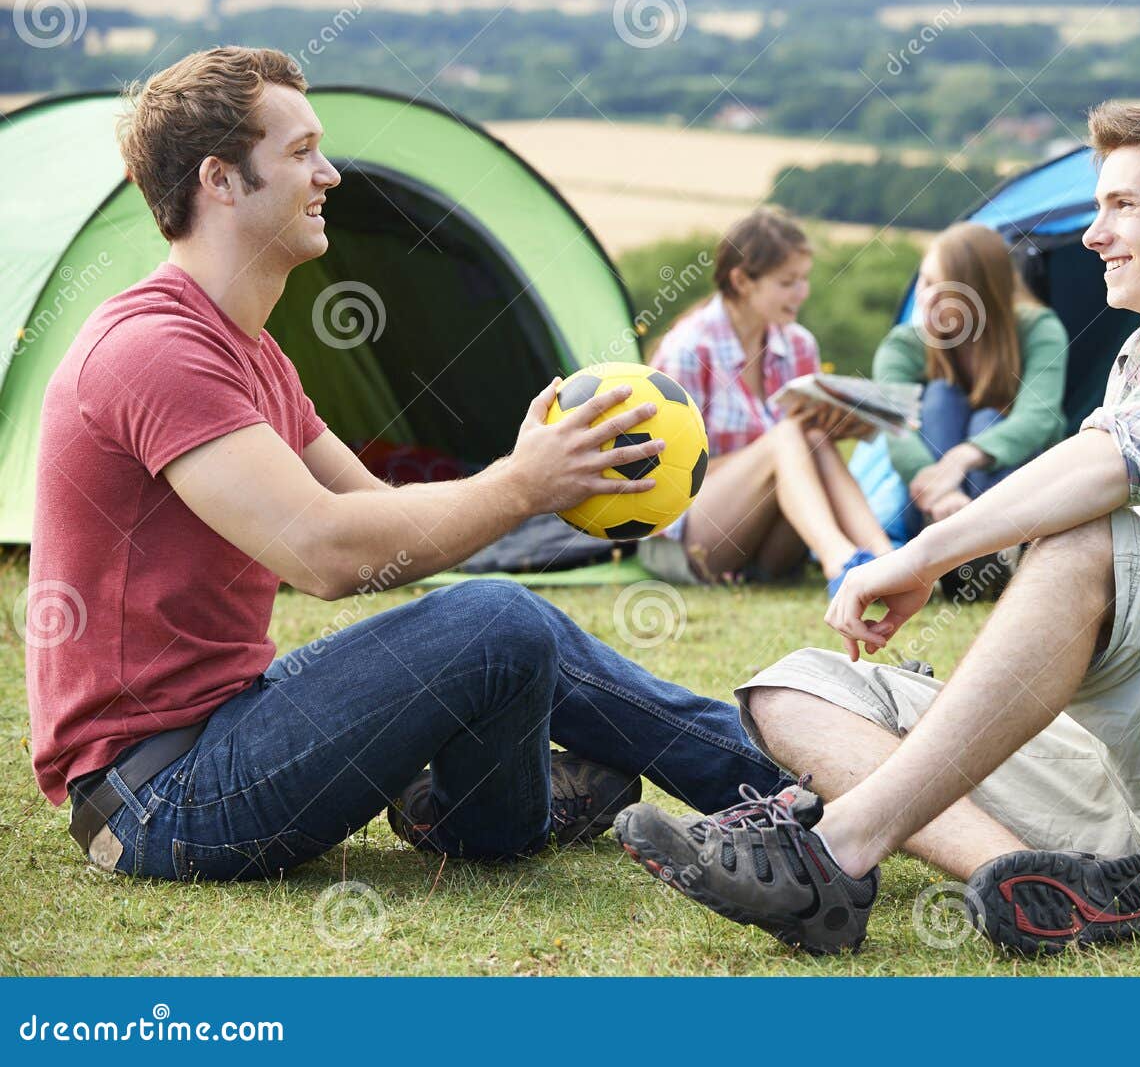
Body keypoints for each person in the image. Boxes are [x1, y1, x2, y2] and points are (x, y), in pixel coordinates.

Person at [614, 87, 1140, 957]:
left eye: (1122, 206)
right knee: (795, 689)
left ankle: (833, 853)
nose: (1096, 233)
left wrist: (919, 554)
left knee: (1092, 530)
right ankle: (1049, 881)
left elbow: (1111, 467)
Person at [23, 46, 783, 882]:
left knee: (503, 632)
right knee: (501, 620)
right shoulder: (153, 350)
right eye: (301, 151)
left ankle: (487, 810)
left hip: (230, 721)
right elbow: (329, 551)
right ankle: (775, 783)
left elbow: (377, 511)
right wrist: (520, 484)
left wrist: (533, 470)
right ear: (222, 180)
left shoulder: (254, 355)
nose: (330, 174)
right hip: (158, 795)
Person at [642, 209, 892, 594]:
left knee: (809, 439)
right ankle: (840, 561)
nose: (802, 293)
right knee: (787, 437)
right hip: (691, 534)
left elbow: (804, 451)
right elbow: (667, 473)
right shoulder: (689, 348)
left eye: (804, 280)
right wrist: (767, 456)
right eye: (787, 282)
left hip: (766, 545)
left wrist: (841, 424)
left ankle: (886, 560)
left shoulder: (798, 344)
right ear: (741, 281)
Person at [872, 221, 1067, 596]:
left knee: (988, 419)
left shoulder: (1038, 329)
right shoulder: (904, 345)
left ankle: (983, 556)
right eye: (924, 282)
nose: (925, 299)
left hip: (1011, 497)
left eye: (942, 289)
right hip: (932, 502)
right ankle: (956, 552)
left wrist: (962, 458)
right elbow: (894, 424)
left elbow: (1038, 416)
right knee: (941, 396)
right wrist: (940, 488)